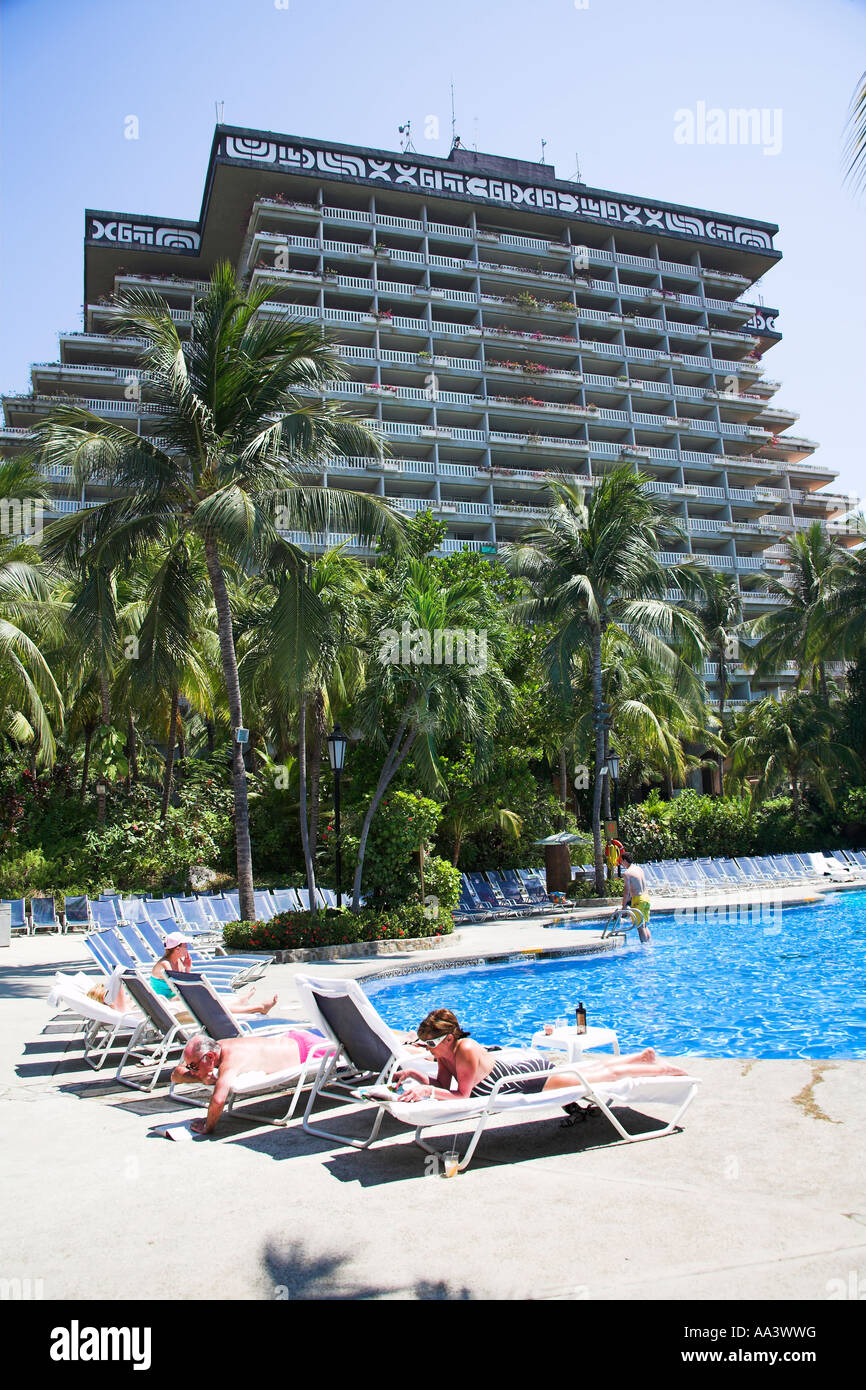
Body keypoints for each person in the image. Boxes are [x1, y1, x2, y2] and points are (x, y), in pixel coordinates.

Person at [392, 1008, 684, 1103]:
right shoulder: (444, 1054)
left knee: (592, 1078)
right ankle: (641, 1058)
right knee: (587, 1071)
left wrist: (426, 1092)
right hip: (512, 1074)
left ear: (451, 1037)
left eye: (432, 1043)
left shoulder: (465, 1050)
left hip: (529, 1076)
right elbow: (444, 1088)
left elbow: (462, 1097)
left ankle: (659, 1070)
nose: (428, 1049)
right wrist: (416, 1076)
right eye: (425, 1045)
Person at [171, 1030, 330, 1134]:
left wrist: (207, 1127)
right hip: (290, 1040)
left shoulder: (230, 1061)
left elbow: (219, 1100)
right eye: (190, 1066)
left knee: (350, 1053)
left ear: (211, 1057)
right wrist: (199, 1076)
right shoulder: (216, 1046)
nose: (191, 1069)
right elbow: (175, 1074)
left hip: (308, 1051)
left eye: (194, 1066)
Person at [150, 933, 279, 1016]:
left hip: (174, 999)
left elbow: (182, 986)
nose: (187, 948)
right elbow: (179, 988)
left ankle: (241, 1002)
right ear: (177, 949)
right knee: (209, 1005)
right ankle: (258, 1008)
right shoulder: (165, 965)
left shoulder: (177, 962)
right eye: (185, 946)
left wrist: (187, 968)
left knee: (210, 999)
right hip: (166, 1004)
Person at [620, 848, 651, 939]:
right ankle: (648, 945)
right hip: (646, 898)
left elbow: (627, 891)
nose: (622, 864)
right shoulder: (639, 869)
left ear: (625, 861)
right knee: (644, 925)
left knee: (640, 927)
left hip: (638, 900)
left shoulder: (627, 873)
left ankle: (644, 948)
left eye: (622, 861)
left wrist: (624, 905)